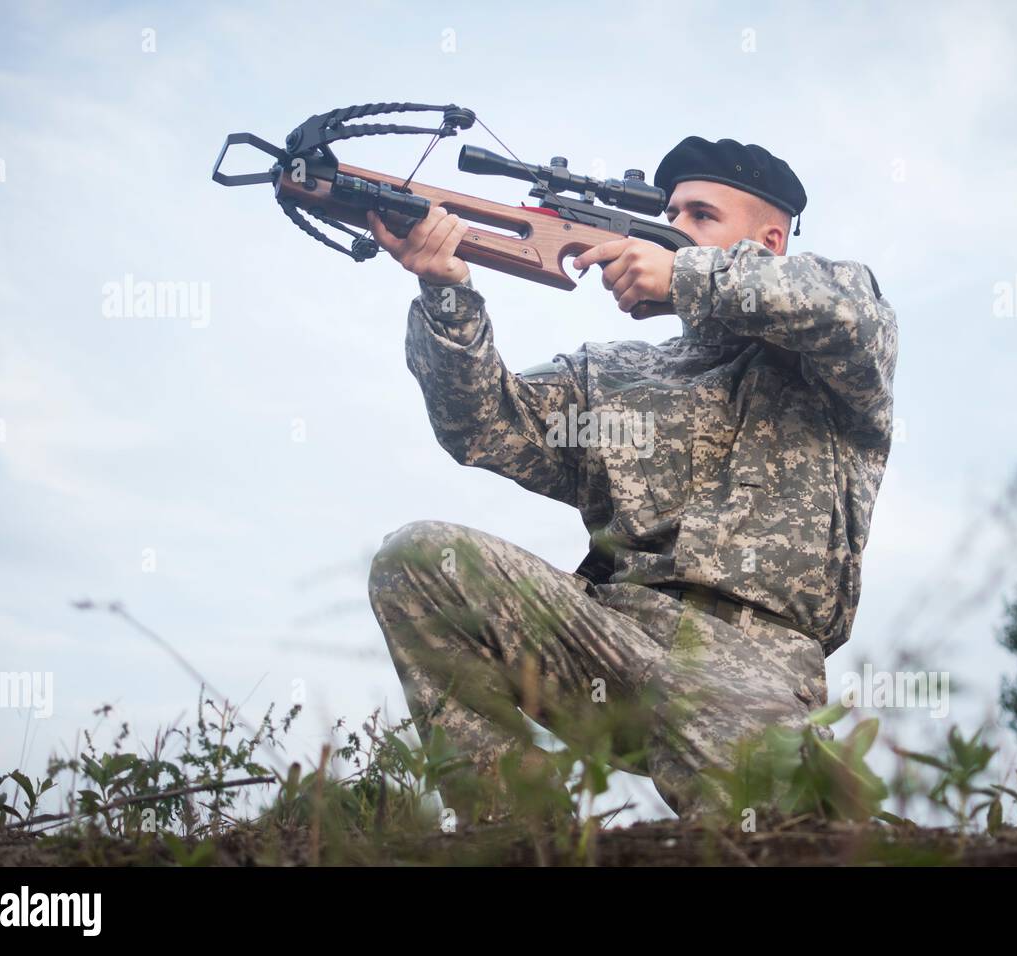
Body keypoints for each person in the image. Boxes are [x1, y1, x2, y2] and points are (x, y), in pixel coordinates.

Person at [365, 136, 898, 820]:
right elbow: (485, 426)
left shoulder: (831, 359)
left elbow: (851, 313)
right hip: (609, 646)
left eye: (700, 216)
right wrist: (445, 290)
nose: (673, 229)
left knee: (779, 839)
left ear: (769, 241)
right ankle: (515, 833)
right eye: (670, 214)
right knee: (419, 561)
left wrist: (686, 278)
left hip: (752, 673)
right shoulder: (611, 370)